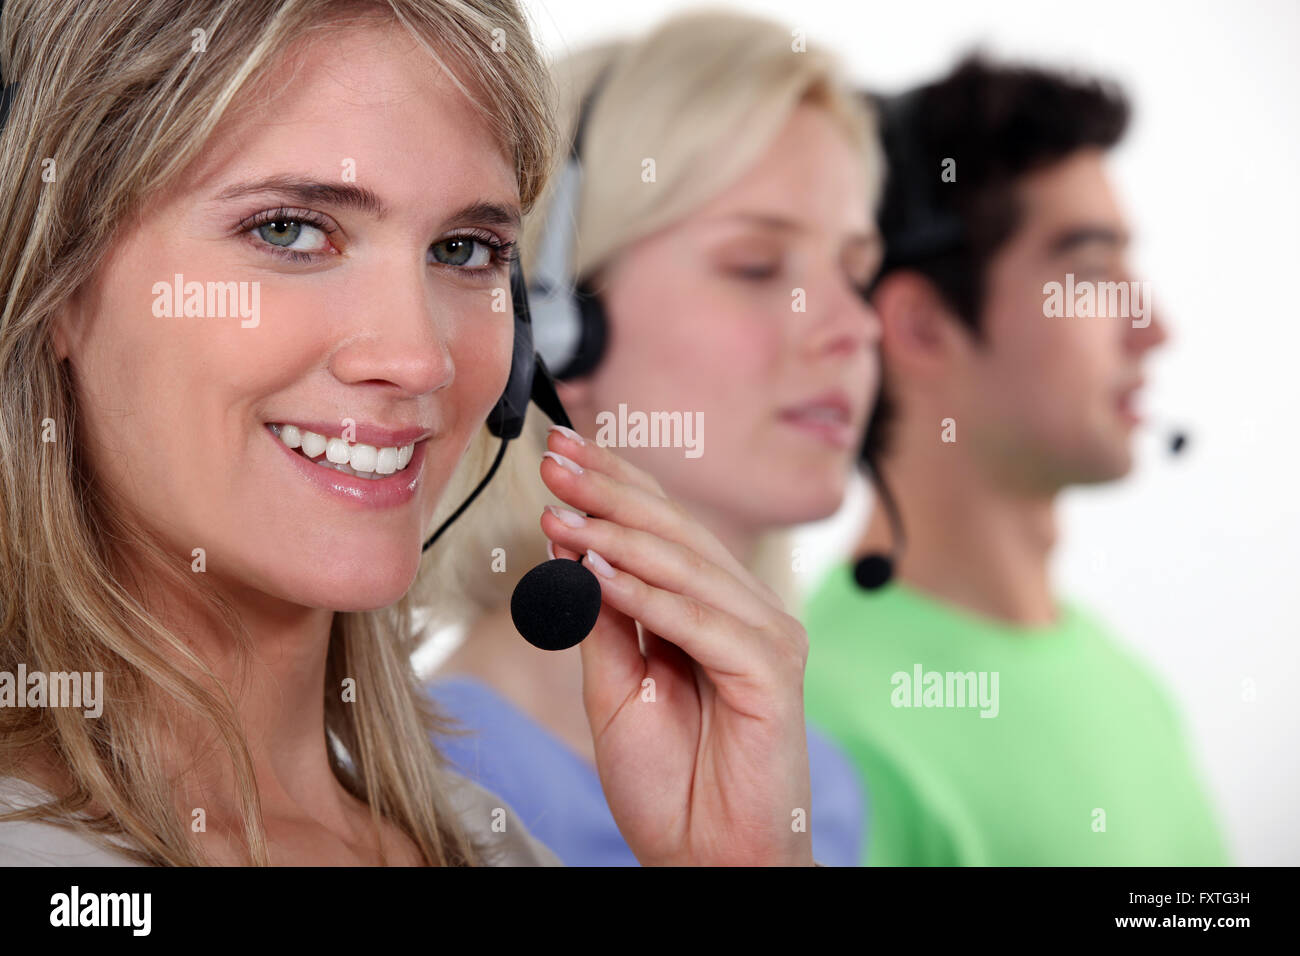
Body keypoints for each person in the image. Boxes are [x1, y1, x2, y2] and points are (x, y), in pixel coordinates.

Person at [0, 0, 818, 867]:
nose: (420, 357)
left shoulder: (489, 845)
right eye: (289, 230)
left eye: (464, 249)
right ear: (54, 278)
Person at [421, 11, 883, 865]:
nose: (852, 328)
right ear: (553, 327)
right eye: (756, 267)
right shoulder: (417, 798)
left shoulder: (819, 784)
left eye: (856, 275)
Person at [803, 55, 1230, 866]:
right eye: (1092, 271)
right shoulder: (818, 730)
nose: (1154, 328)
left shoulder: (1122, 678)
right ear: (924, 328)